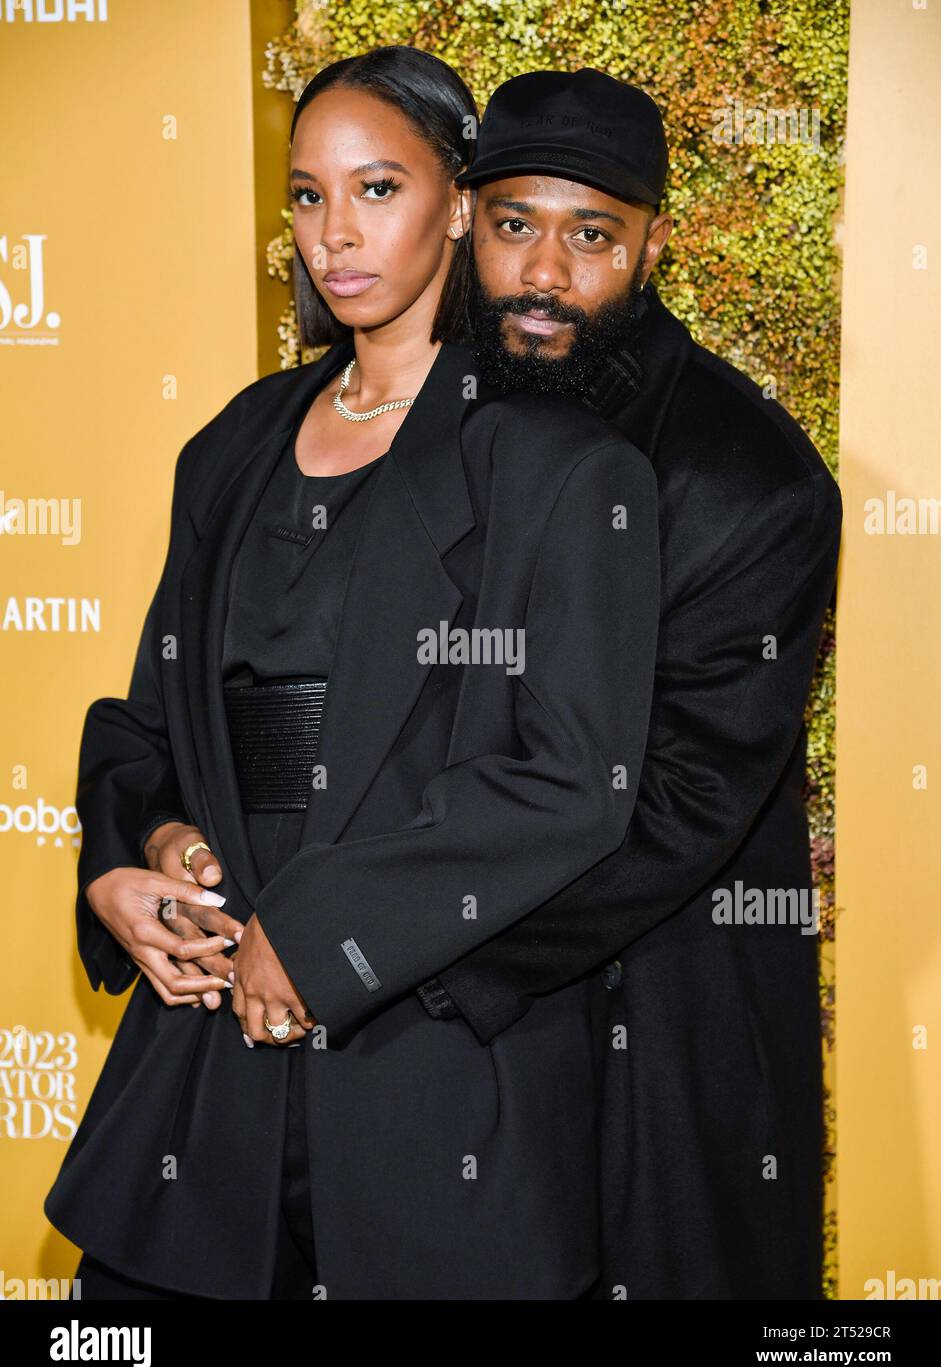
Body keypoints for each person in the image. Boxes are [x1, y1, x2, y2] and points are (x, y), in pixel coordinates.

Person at [44, 48, 660, 1300]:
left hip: (429, 1072)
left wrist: (322, 937)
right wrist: (134, 850)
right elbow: (145, 716)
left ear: (457, 201)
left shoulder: (558, 471)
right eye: (308, 196)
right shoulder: (230, 446)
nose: (335, 234)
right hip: (205, 1069)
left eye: (377, 189)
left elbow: (570, 785)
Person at [426, 68, 840, 1299]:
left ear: (651, 244)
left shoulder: (747, 476)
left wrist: (394, 959)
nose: (543, 275)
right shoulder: (402, 416)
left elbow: (673, 808)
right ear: (467, 224)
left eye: (590, 235)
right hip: (441, 1004)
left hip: (654, 1009)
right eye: (515, 226)